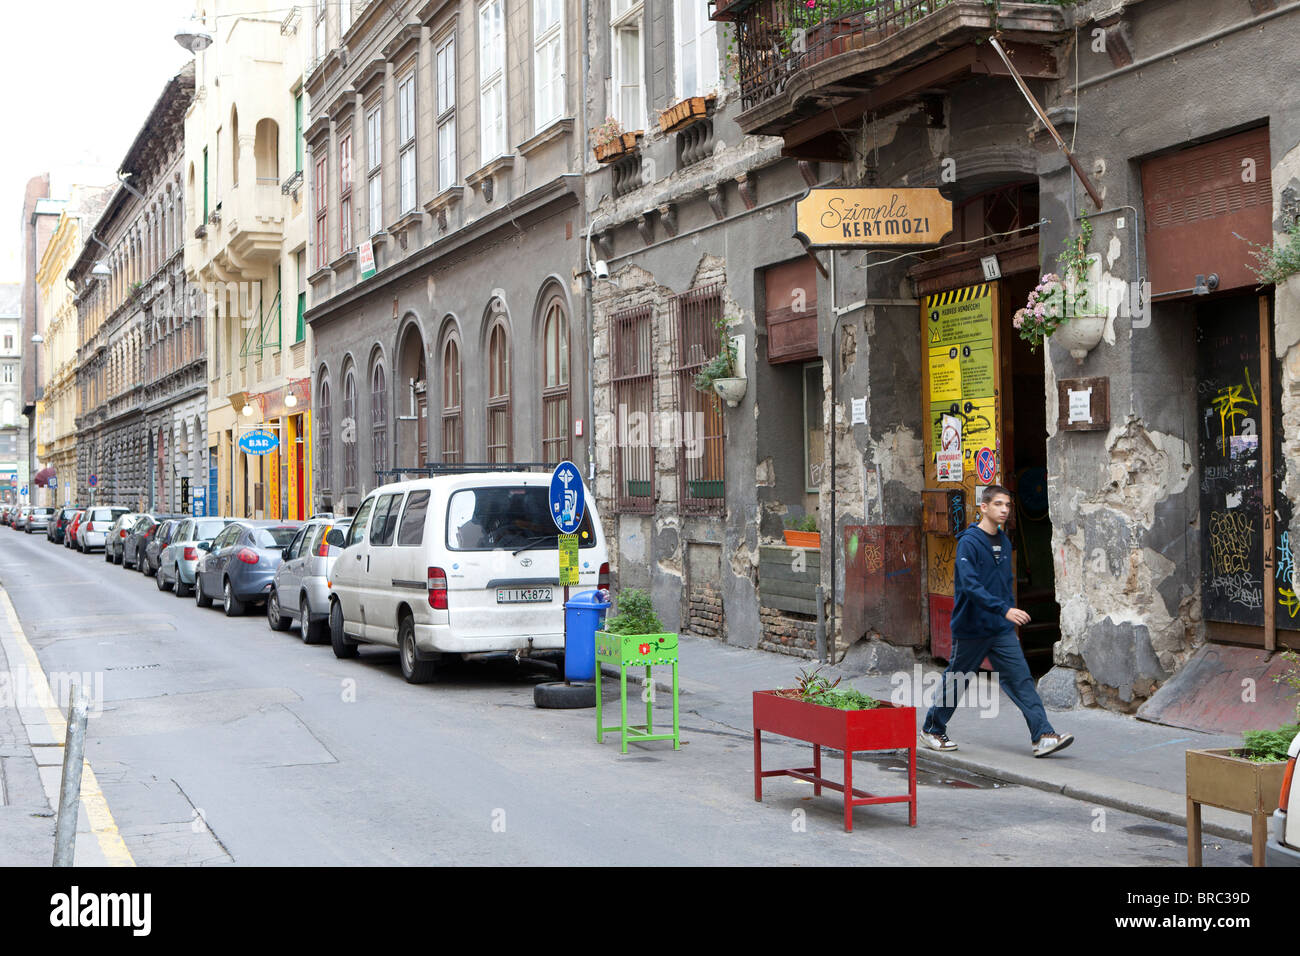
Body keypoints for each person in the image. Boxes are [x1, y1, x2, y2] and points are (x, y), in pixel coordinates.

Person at [920, 485, 1074, 758]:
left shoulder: (1003, 541)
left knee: (1021, 679)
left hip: (1000, 629)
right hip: (971, 628)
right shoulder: (969, 542)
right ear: (984, 507)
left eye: (1008, 505)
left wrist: (1006, 613)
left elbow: (1003, 584)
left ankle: (1043, 736)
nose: (1004, 510)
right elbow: (970, 585)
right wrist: (1004, 610)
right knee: (957, 679)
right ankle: (932, 729)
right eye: (998, 504)